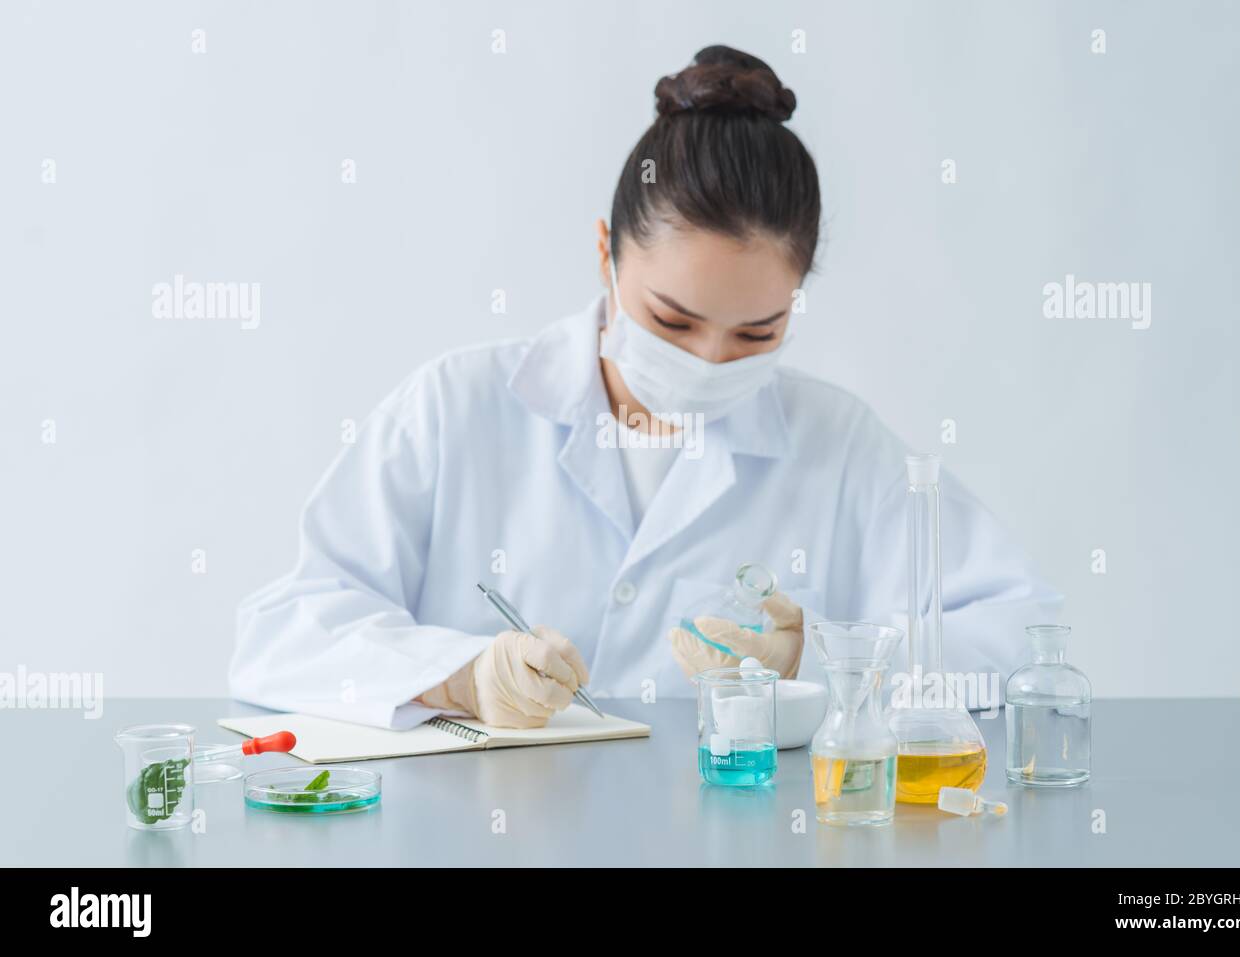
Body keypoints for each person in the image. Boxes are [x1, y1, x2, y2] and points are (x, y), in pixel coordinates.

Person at [230, 45, 1062, 730]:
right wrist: (455, 677)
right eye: (672, 320)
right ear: (606, 253)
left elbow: (1023, 634)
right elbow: (283, 630)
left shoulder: (838, 445)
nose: (707, 359)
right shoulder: (457, 408)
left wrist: (827, 650)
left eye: (756, 334)